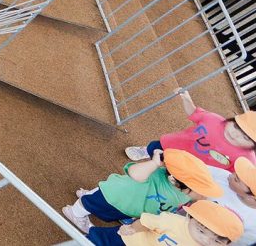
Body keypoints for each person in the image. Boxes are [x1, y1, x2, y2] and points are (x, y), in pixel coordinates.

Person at [62, 147, 222, 233]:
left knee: (100, 203)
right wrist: (154, 163)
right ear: (174, 180)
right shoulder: (155, 173)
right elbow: (134, 173)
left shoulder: (187, 192)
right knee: (94, 202)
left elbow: (200, 198)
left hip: (131, 205)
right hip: (117, 195)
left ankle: (89, 196)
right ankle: (75, 212)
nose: (202, 192)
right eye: (198, 188)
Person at [125, 88, 256, 172]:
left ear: (253, 146)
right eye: (236, 126)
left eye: (245, 138)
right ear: (232, 120)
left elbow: (243, 176)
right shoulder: (214, 119)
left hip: (191, 169)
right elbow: (193, 113)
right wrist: (187, 99)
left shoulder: (247, 160)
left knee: (170, 176)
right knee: (154, 149)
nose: (235, 134)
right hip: (173, 145)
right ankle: (146, 152)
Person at [84, 201, 243, 246]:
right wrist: (132, 228)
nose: (207, 241)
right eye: (201, 231)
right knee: (96, 241)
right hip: (130, 240)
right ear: (190, 218)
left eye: (217, 241)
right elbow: (146, 222)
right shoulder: (173, 221)